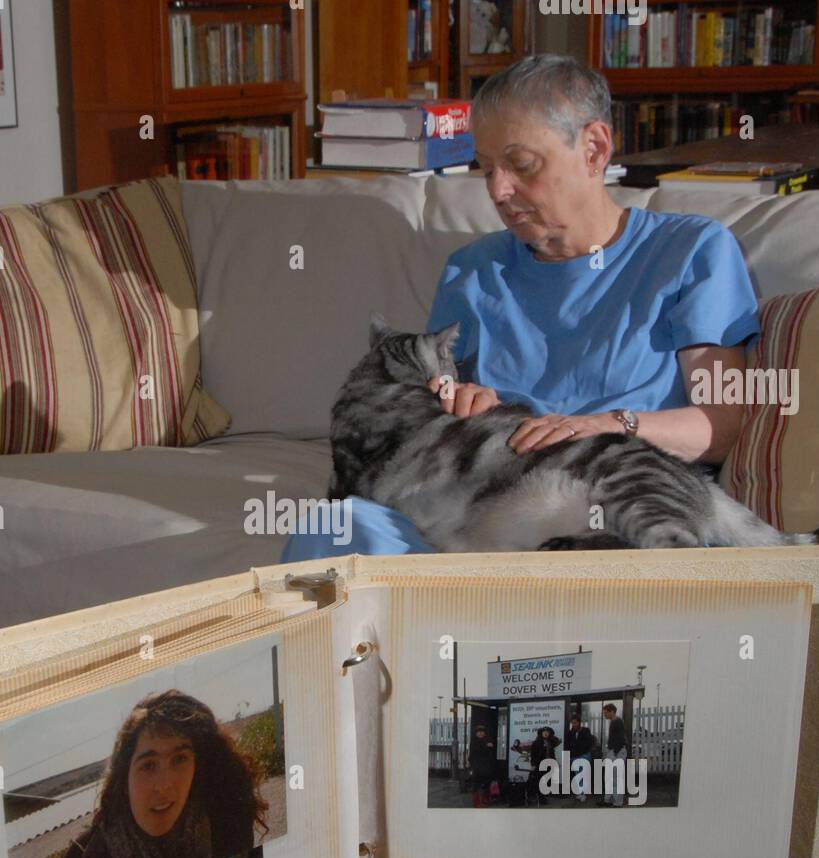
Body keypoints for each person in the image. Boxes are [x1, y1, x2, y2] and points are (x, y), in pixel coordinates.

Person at [281, 54, 759, 562]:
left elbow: (720, 425)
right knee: (334, 529)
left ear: (594, 149)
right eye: (486, 168)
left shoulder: (691, 250)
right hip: (478, 503)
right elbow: (431, 421)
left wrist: (604, 425)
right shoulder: (472, 270)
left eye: (522, 165)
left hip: (605, 500)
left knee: (591, 550)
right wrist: (458, 401)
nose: (498, 190)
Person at [56, 690, 268, 858]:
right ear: (124, 777)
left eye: (180, 759)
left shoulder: (225, 819)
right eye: (148, 765)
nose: (165, 785)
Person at [564, 714, 598, 803]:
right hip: (575, 757)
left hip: (584, 755)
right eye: (572, 723)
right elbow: (567, 745)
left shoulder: (586, 731)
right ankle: (581, 793)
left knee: (583, 774)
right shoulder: (570, 733)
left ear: (579, 722)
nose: (574, 725)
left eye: (575, 723)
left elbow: (589, 742)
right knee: (578, 775)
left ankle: (582, 793)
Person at [601, 702, 629, 807]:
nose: (605, 715)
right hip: (614, 751)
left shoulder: (617, 722)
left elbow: (621, 738)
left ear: (612, 711)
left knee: (616, 778)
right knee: (610, 777)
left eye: (606, 713)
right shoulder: (614, 722)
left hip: (616, 752)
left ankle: (617, 802)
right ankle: (609, 800)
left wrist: (615, 752)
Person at [526, 726, 560, 806]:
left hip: (549, 764)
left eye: (547, 732)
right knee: (540, 781)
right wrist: (533, 764)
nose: (545, 733)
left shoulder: (550, 742)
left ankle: (543, 796)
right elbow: (533, 755)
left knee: (547, 781)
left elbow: (552, 753)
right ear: (541, 733)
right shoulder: (536, 742)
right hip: (540, 764)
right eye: (544, 732)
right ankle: (541, 798)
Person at [469, 723, 498, 808]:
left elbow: (489, 754)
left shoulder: (486, 740)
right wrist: (486, 746)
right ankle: (477, 802)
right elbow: (475, 754)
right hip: (477, 767)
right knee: (476, 785)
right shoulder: (475, 742)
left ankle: (485, 800)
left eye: (482, 732)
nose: (481, 733)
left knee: (486, 784)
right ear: (476, 733)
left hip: (486, 767)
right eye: (479, 732)